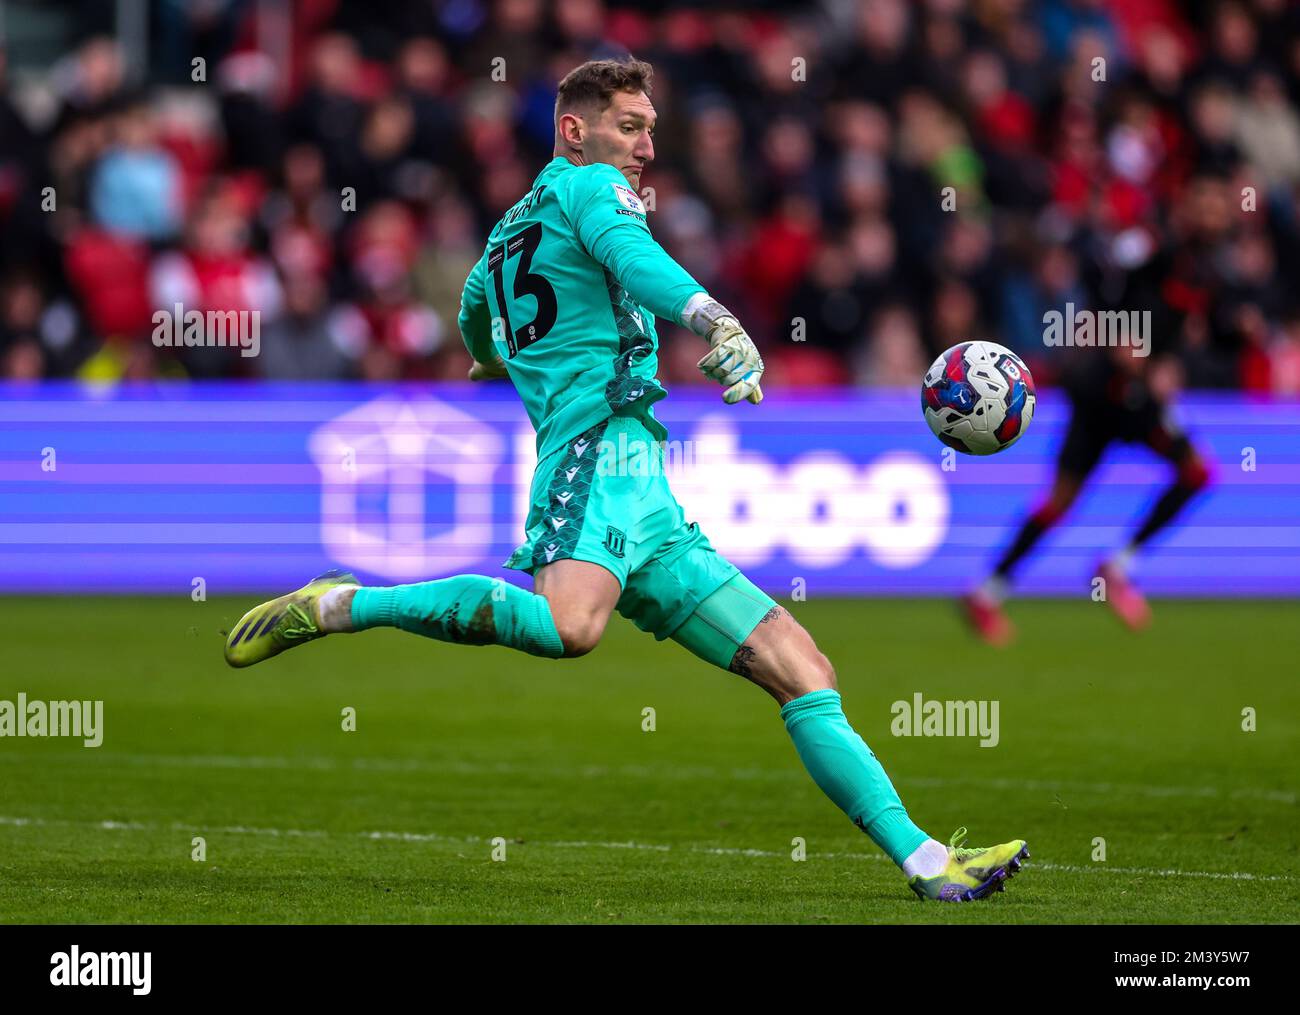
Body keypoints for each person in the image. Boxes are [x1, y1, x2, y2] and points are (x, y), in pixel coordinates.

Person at [225, 58, 1028, 902]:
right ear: (575, 132)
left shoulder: (502, 236)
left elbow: (472, 313)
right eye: (629, 127)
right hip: (593, 455)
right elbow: (632, 256)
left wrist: (490, 358)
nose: (646, 147)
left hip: (646, 488)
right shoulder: (591, 188)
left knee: (803, 668)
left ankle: (927, 863)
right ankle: (343, 605)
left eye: (650, 128)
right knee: (569, 627)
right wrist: (713, 318)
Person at [963, 347, 1212, 644]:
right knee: (1057, 504)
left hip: (1141, 400)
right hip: (1098, 399)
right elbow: (1096, 342)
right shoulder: (1097, 361)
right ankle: (986, 593)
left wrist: (1168, 364)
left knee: (1197, 473)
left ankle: (1117, 567)